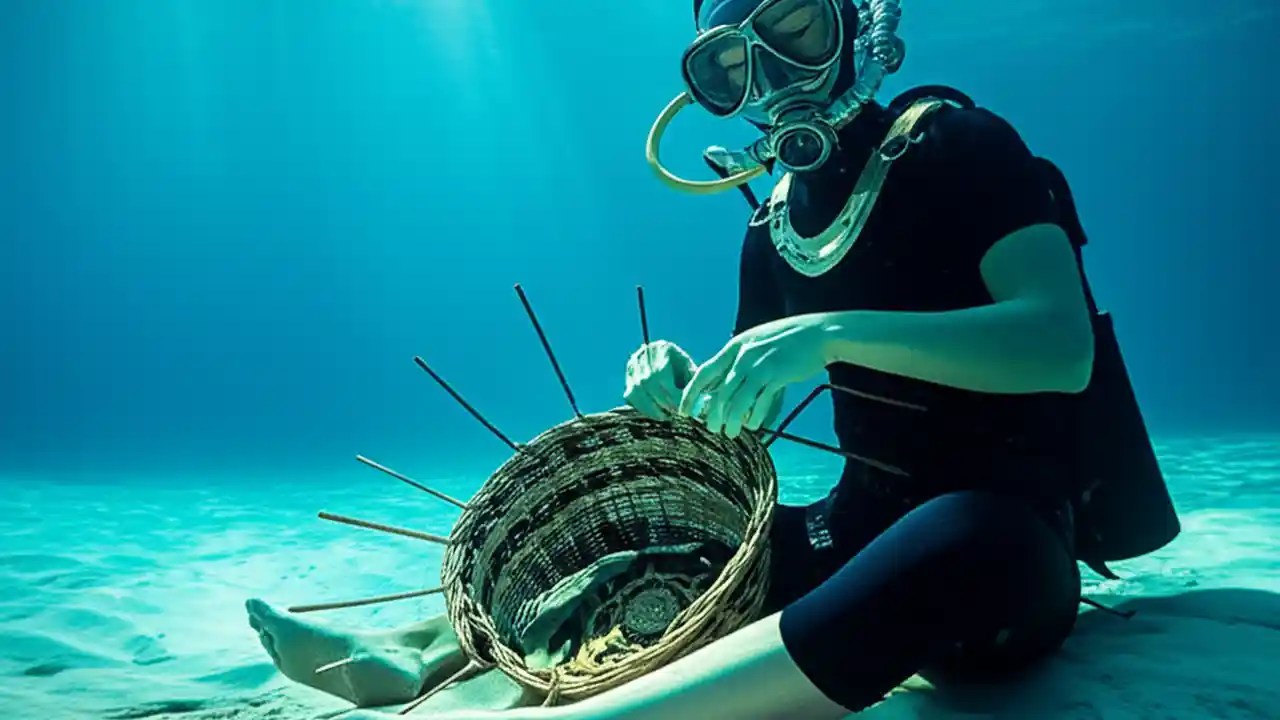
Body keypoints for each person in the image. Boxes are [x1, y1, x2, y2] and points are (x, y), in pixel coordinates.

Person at [250, 0, 1179, 716]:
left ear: (859, 24)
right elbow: (748, 426)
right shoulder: (771, 229)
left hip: (1009, 548)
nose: (773, 77)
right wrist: (679, 382)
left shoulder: (962, 146)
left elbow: (1059, 348)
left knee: (971, 539)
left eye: (795, 29)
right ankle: (423, 656)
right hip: (849, 537)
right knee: (659, 538)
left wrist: (828, 331)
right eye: (731, 64)